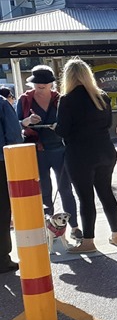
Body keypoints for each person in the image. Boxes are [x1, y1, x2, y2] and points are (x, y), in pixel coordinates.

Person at [55, 58, 117, 253]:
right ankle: (116, 235)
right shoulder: (102, 96)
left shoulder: (67, 99)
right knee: (106, 192)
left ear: (68, 77)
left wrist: (55, 127)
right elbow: (108, 123)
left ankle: (88, 241)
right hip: (105, 150)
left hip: (80, 154)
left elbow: (63, 131)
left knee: (85, 198)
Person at [17, 65, 80, 240]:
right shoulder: (24, 100)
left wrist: (60, 126)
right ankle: (48, 229)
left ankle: (74, 227)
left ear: (52, 83)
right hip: (37, 150)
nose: (41, 85)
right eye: (38, 82)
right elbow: (15, 125)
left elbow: (73, 124)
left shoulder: (60, 99)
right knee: (44, 189)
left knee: (66, 189)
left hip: (60, 149)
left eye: (45, 82)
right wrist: (27, 121)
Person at [0, 92, 20, 273]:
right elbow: (14, 135)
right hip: (1, 161)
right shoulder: (2, 104)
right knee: (2, 212)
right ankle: (2, 259)